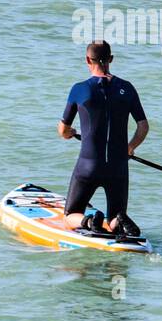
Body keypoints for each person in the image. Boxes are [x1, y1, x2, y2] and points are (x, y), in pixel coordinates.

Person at [57, 40, 149, 237]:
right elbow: (143, 126)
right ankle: (120, 220)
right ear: (111, 59)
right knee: (114, 217)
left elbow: (62, 130)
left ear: (87, 60)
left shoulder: (79, 89)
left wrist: (70, 133)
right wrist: (130, 147)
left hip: (88, 166)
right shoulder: (127, 88)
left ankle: (89, 220)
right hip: (118, 167)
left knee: (70, 215)